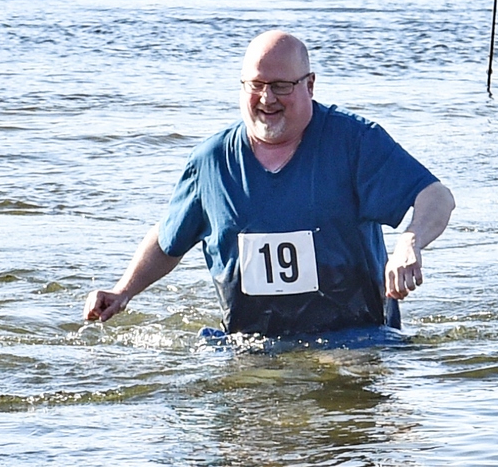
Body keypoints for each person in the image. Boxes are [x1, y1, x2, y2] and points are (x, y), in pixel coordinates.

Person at [84, 30, 455, 336]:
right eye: (257, 85)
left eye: (281, 86)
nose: (267, 98)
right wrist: (123, 290)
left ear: (310, 85)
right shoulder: (211, 161)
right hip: (251, 344)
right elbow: (169, 237)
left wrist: (410, 242)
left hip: (355, 338)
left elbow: (436, 195)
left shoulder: (355, 143)